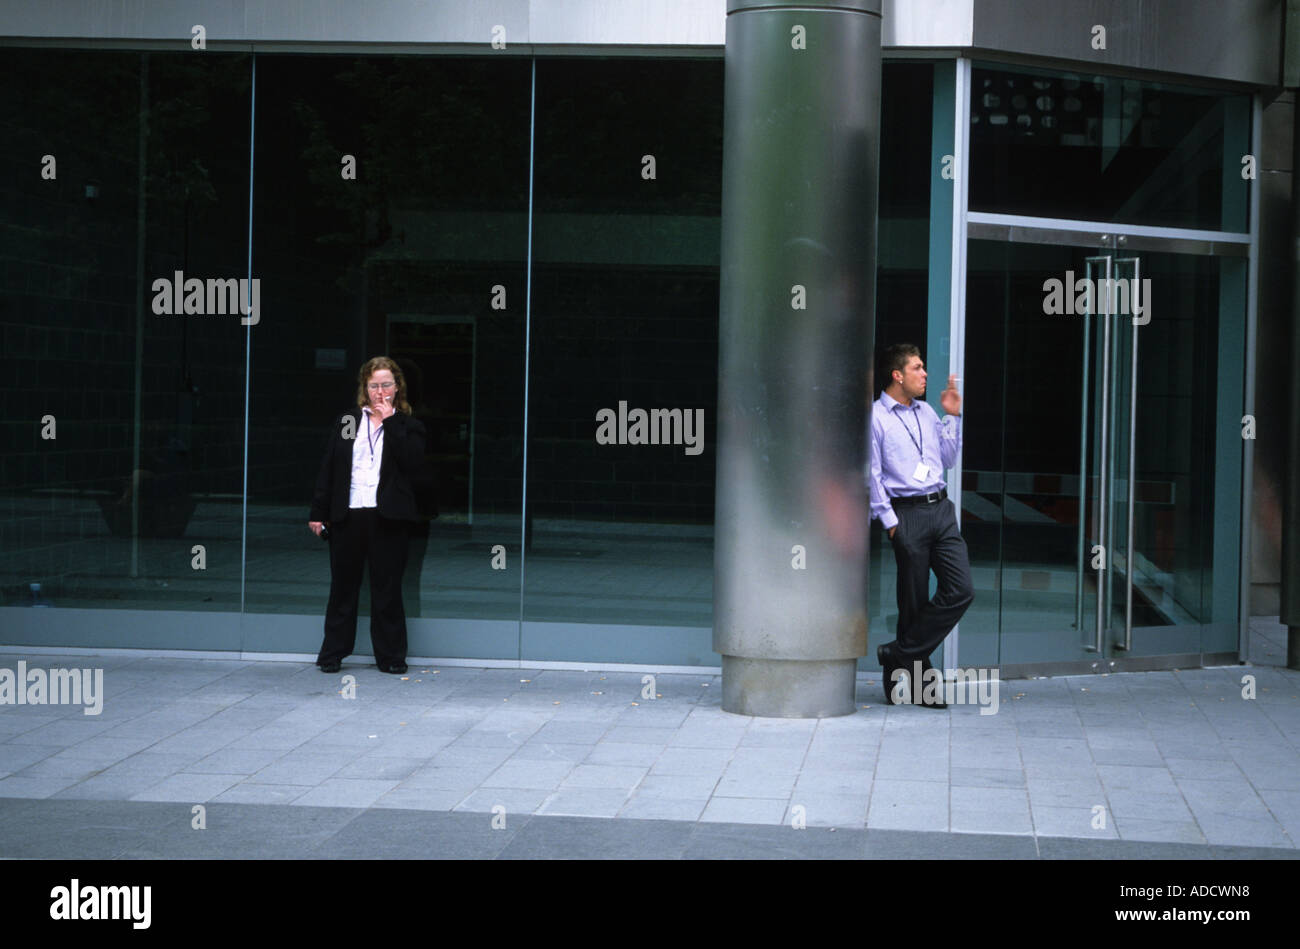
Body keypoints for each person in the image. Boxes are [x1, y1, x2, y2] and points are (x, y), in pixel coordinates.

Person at [308, 356, 431, 674]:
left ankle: (391, 657)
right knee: (343, 588)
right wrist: (318, 511)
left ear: (397, 387)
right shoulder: (349, 421)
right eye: (373, 385)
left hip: (387, 517)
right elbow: (330, 467)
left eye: (386, 384)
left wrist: (390, 421)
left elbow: (414, 466)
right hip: (348, 514)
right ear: (365, 388)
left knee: (387, 590)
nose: (380, 392)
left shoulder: (408, 424)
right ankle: (332, 653)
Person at [867, 343, 974, 708]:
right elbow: (872, 475)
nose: (925, 374)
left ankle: (896, 653)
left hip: (941, 510)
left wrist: (953, 417)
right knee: (912, 602)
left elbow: (948, 459)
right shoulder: (876, 418)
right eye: (917, 368)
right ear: (898, 375)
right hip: (906, 514)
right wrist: (891, 523)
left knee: (961, 590)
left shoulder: (928, 411)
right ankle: (917, 687)